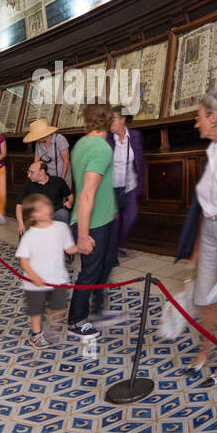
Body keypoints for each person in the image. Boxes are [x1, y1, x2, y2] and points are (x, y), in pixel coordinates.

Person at [175, 90, 217, 380]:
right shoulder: (212, 151)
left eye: (199, 118)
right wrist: (197, 244)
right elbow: (203, 204)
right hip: (209, 232)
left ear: (213, 117)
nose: (196, 124)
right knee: (205, 297)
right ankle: (207, 348)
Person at [66, 103, 121, 339]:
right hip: (93, 222)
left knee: (102, 267)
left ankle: (93, 311)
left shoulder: (81, 144)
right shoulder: (102, 148)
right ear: (107, 121)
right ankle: (76, 320)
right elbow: (87, 192)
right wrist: (83, 234)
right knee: (89, 272)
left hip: (101, 218)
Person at [16, 194, 78, 348]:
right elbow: (23, 260)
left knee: (58, 306)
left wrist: (81, 247)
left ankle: (52, 322)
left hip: (58, 277)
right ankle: (36, 335)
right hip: (34, 281)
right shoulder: (29, 236)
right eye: (39, 209)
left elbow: (69, 249)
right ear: (32, 215)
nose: (44, 210)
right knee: (36, 309)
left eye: (45, 206)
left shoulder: (61, 227)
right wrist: (34, 277)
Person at [107, 109, 146, 257]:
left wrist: (141, 185)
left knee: (130, 217)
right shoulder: (108, 139)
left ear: (122, 120)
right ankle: (112, 250)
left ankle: (118, 244)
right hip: (111, 189)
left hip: (130, 186)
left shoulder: (135, 136)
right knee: (114, 221)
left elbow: (140, 161)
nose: (110, 123)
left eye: (113, 119)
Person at [16, 158, 72, 231]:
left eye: (31, 172)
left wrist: (70, 202)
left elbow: (70, 195)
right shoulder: (28, 185)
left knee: (63, 214)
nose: (28, 175)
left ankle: (63, 238)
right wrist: (20, 223)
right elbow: (19, 205)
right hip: (38, 215)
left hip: (56, 212)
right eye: (28, 172)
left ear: (42, 172)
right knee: (28, 223)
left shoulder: (58, 181)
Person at [24, 119, 71, 187]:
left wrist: (61, 180)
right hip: (47, 178)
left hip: (61, 175)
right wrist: (33, 174)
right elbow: (36, 162)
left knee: (61, 196)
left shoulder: (59, 139)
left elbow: (66, 162)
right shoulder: (38, 143)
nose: (36, 139)